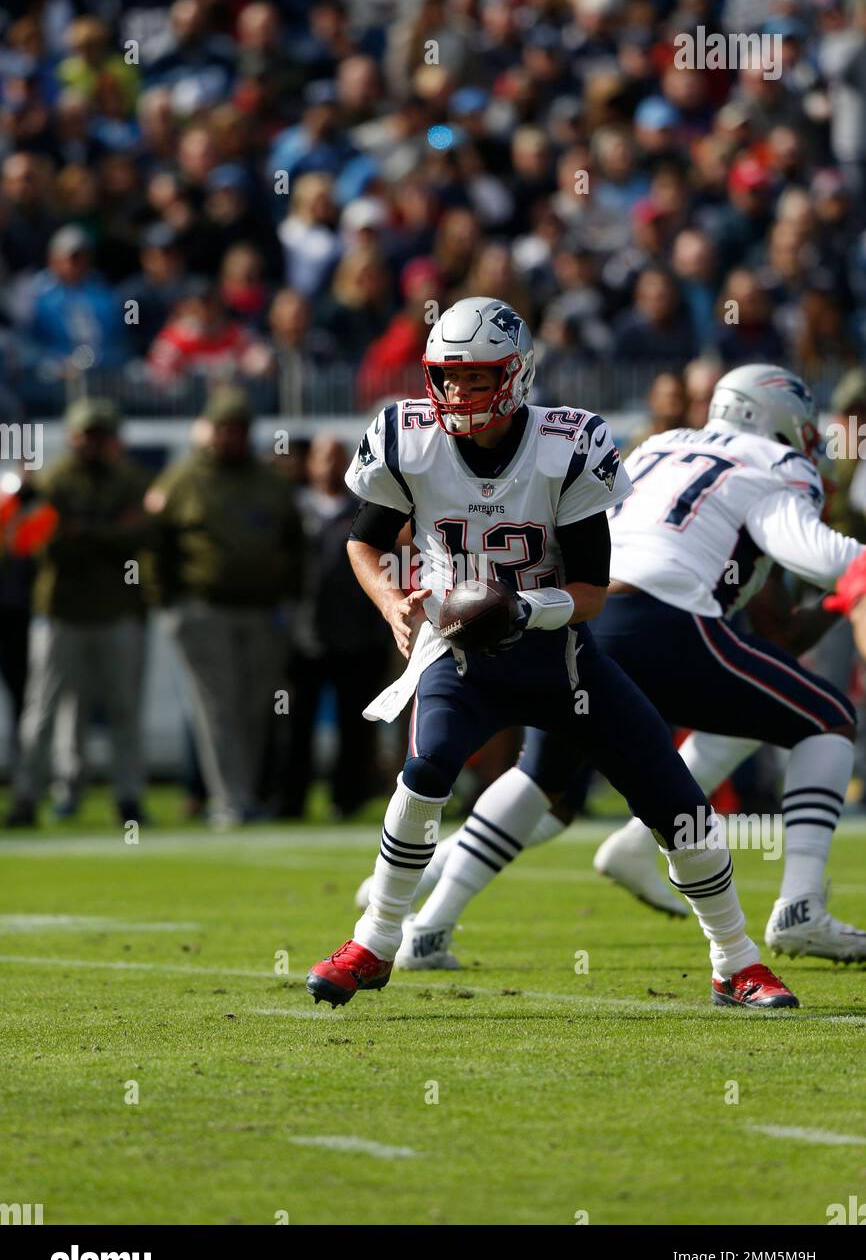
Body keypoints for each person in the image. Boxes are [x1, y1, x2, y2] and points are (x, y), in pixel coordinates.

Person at [307, 300, 797, 1011]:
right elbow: (365, 540)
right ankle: (375, 941)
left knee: (678, 805)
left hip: (560, 660)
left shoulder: (567, 445)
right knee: (424, 774)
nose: (456, 396)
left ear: (514, 378)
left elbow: (594, 591)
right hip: (461, 656)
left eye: (475, 380)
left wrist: (518, 609)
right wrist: (391, 601)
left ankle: (736, 962)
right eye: (446, 379)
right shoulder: (405, 436)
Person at [392, 364, 866, 969]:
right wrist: (853, 573)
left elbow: (775, 626)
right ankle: (800, 906)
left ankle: (427, 930)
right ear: (778, 419)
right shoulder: (772, 465)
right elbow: (813, 551)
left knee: (543, 781)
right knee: (826, 719)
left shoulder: (660, 447)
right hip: (665, 619)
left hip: (584, 617)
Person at [145, 387, 302, 828]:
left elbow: (294, 545)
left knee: (255, 707)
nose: (230, 437)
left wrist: (291, 599)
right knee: (217, 707)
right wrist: (167, 603)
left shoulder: (271, 481)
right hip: (202, 609)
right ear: (209, 431)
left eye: (238, 429)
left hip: (263, 611)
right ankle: (229, 799)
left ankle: (245, 794)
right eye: (223, 428)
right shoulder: (182, 479)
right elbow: (154, 542)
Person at [7, 399, 150, 827]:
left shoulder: (128, 481)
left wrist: (83, 531)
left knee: (124, 709)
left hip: (113, 610)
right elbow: (42, 543)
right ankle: (27, 796)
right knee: (44, 709)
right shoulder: (55, 481)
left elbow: (139, 537)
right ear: (73, 437)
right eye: (87, 435)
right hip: (62, 611)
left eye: (101, 435)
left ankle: (128, 799)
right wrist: (106, 532)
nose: (93, 443)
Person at [282, 434, 391, 818]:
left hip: (358, 636)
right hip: (303, 635)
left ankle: (347, 799)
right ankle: (289, 800)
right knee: (294, 725)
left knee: (355, 726)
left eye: (337, 458)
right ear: (309, 464)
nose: (329, 466)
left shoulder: (366, 510)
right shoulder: (292, 510)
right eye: (322, 458)